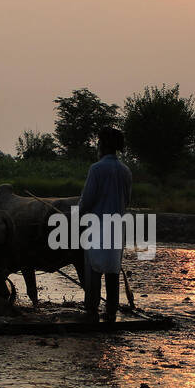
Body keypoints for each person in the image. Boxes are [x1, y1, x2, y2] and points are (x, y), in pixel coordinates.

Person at [78, 126, 132, 324]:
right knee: (112, 269)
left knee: (93, 268)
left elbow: (87, 200)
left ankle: (91, 310)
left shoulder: (96, 169)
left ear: (102, 145)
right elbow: (127, 200)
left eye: (98, 142)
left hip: (97, 225)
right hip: (117, 226)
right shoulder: (126, 171)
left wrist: (78, 214)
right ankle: (111, 311)